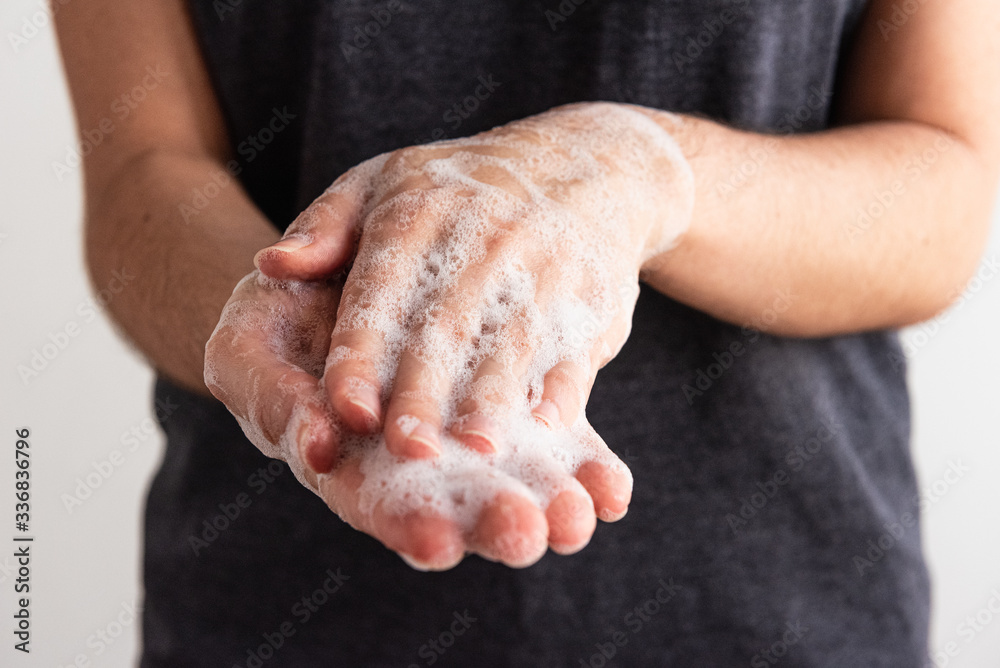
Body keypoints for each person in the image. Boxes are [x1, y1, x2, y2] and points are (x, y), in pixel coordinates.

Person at [55, 0, 1000, 665]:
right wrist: (275, 317)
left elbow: (943, 188)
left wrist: (649, 171)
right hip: (280, 616)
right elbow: (143, 164)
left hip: (792, 615)